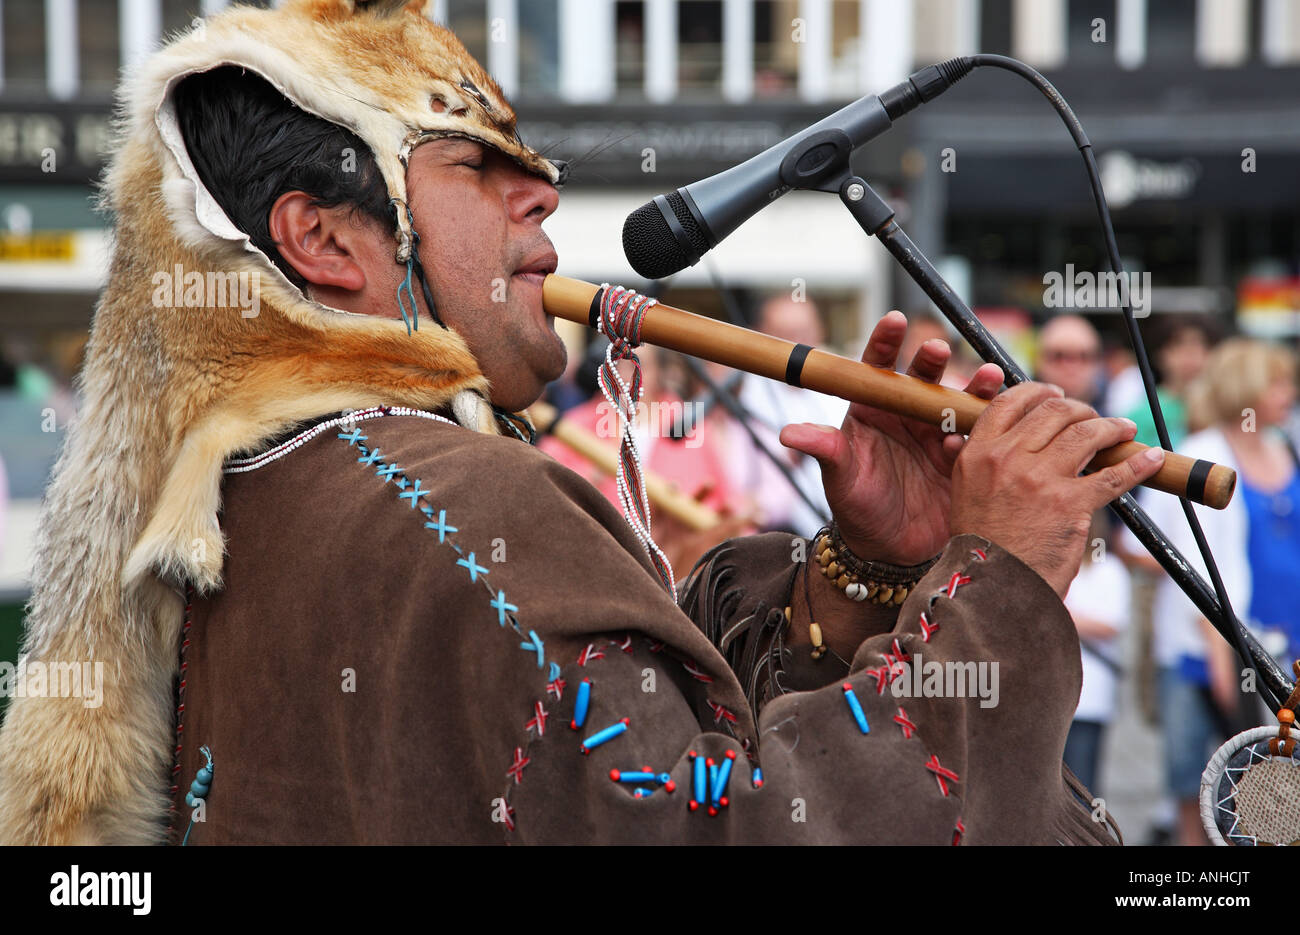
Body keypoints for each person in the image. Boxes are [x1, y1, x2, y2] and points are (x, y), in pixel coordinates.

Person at [0, 0, 1167, 845]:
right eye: (476, 165)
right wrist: (997, 579)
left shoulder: (268, 482)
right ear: (324, 241)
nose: (542, 190)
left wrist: (870, 571)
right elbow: (738, 832)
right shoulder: (453, 504)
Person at [1139, 338, 1294, 845]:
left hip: (1284, 639)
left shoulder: (1285, 446)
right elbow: (1201, 574)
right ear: (1245, 390)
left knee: (1276, 785)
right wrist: (1227, 661)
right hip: (1211, 647)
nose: (1288, 392)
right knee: (1201, 779)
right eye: (1277, 383)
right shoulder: (1204, 458)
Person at [1035, 315, 1104, 408]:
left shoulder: (1119, 415)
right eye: (1058, 356)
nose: (1071, 368)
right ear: (1039, 361)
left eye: (1083, 356)